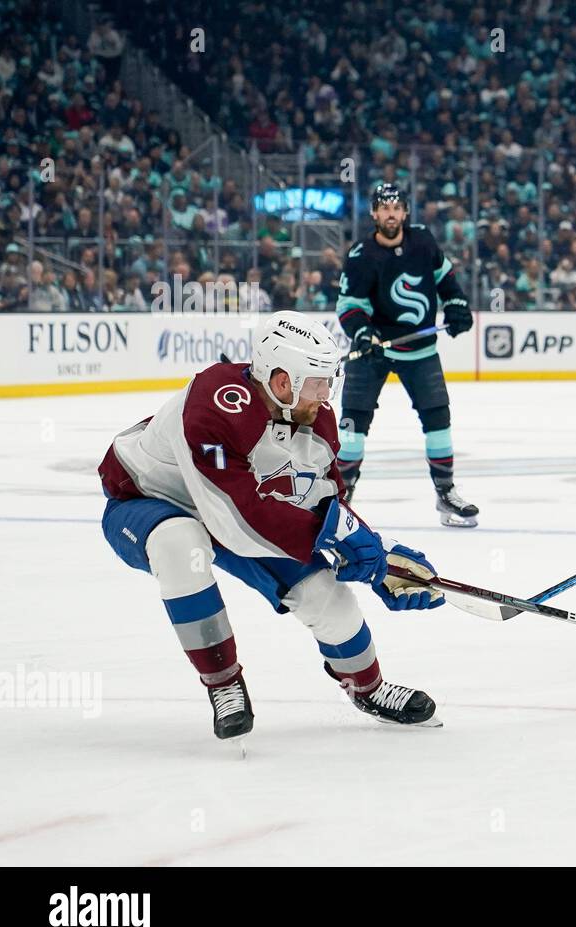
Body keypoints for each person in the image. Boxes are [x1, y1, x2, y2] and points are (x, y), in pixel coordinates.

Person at [97, 312, 444, 741]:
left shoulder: (315, 422)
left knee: (325, 598)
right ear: (282, 382)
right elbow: (236, 520)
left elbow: (322, 505)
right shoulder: (214, 403)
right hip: (148, 501)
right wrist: (339, 544)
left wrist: (378, 552)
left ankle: (367, 687)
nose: (326, 393)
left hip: (235, 511)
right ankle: (224, 683)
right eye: (317, 382)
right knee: (179, 543)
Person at [336, 183, 479, 526]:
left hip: (419, 350)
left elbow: (446, 280)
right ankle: (340, 497)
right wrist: (363, 333)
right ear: (373, 214)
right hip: (374, 351)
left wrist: (457, 305)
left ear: (405, 213)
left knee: (438, 420)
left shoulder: (423, 242)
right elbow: (349, 306)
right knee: (353, 423)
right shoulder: (361, 255)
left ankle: (445, 493)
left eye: (396, 207)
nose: (390, 213)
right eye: (383, 208)